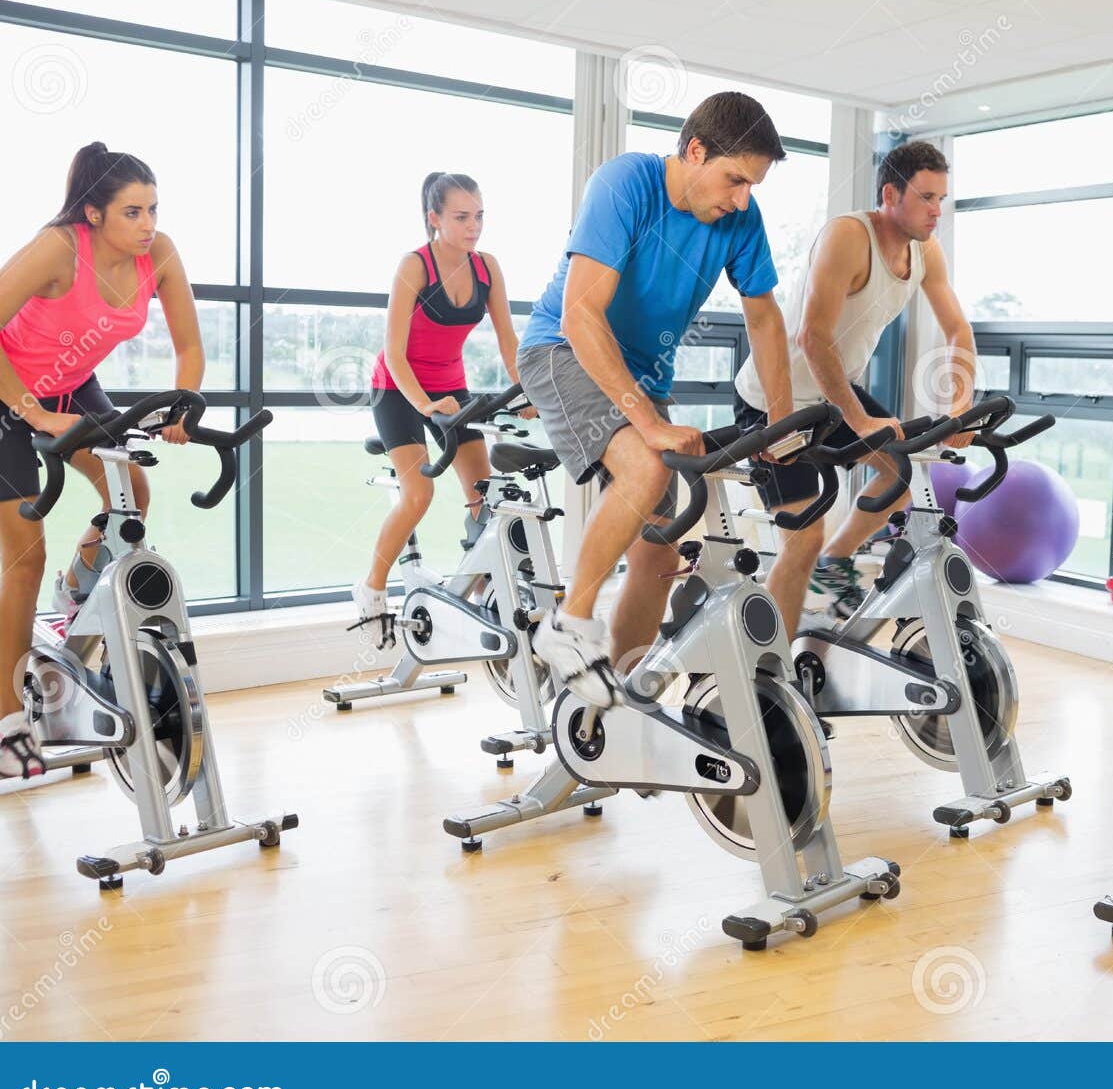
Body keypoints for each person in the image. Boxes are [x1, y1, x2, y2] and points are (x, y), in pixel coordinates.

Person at [518, 92, 797, 706]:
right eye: (734, 179)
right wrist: (646, 423)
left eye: (753, 184)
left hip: (642, 372)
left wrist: (780, 422)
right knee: (645, 467)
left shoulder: (739, 220)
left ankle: (617, 701)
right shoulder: (625, 184)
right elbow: (581, 312)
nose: (742, 198)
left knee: (660, 544)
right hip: (561, 348)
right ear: (694, 151)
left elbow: (766, 320)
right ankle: (567, 624)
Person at [0, 143, 210, 778]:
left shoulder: (160, 252)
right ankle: (9, 722)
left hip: (73, 386)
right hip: (9, 389)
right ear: (93, 214)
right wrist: (33, 412)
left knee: (130, 497)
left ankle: (76, 594)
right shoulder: (59, 248)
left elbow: (190, 344)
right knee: (22, 555)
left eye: (152, 209)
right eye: (132, 212)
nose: (147, 224)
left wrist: (183, 407)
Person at [732, 140, 975, 635]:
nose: (936, 212)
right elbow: (812, 337)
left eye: (942, 200)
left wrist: (961, 406)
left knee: (898, 470)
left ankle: (835, 562)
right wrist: (859, 420)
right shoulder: (848, 236)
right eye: (926, 198)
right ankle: (765, 663)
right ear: (891, 194)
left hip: (832, 392)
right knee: (802, 538)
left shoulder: (925, 250)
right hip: (773, 400)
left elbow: (958, 331)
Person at [351, 173, 524, 634]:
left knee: (484, 497)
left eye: (479, 216)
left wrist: (527, 390)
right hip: (399, 388)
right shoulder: (414, 266)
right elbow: (393, 352)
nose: (474, 226)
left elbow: (509, 342)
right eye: (462, 217)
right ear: (435, 219)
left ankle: (484, 590)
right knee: (420, 493)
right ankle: (371, 588)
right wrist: (426, 406)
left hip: (452, 387)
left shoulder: (487, 268)